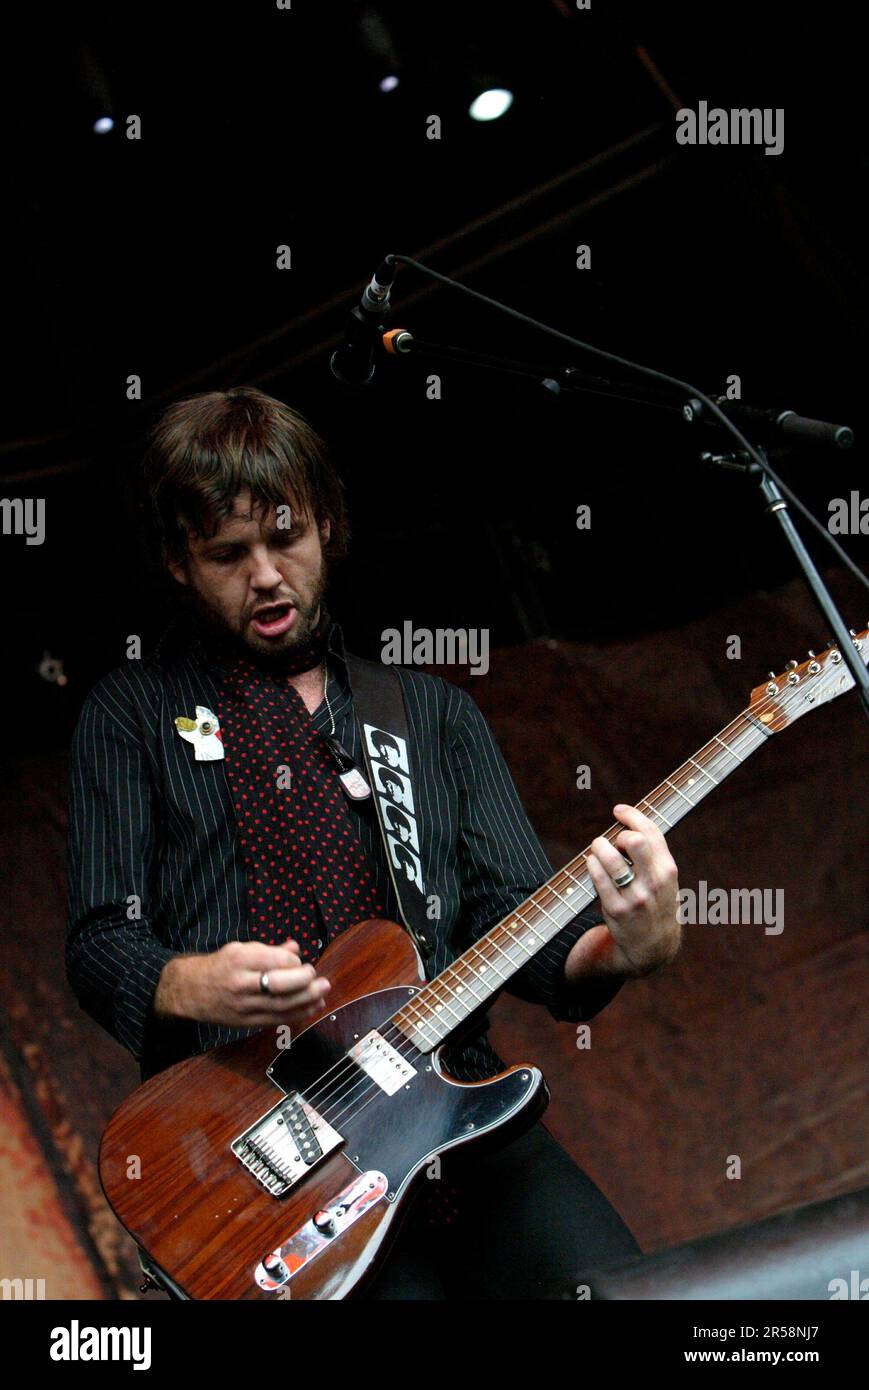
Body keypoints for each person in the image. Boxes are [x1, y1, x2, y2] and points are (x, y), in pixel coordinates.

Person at [66, 386, 682, 1299]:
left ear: (328, 525)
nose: (267, 575)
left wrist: (625, 947)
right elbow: (98, 941)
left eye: (287, 538)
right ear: (177, 563)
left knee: (621, 1294)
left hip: (453, 1107)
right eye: (228, 555)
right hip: (262, 1144)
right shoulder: (134, 714)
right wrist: (191, 981)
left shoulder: (429, 716)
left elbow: (523, 928)